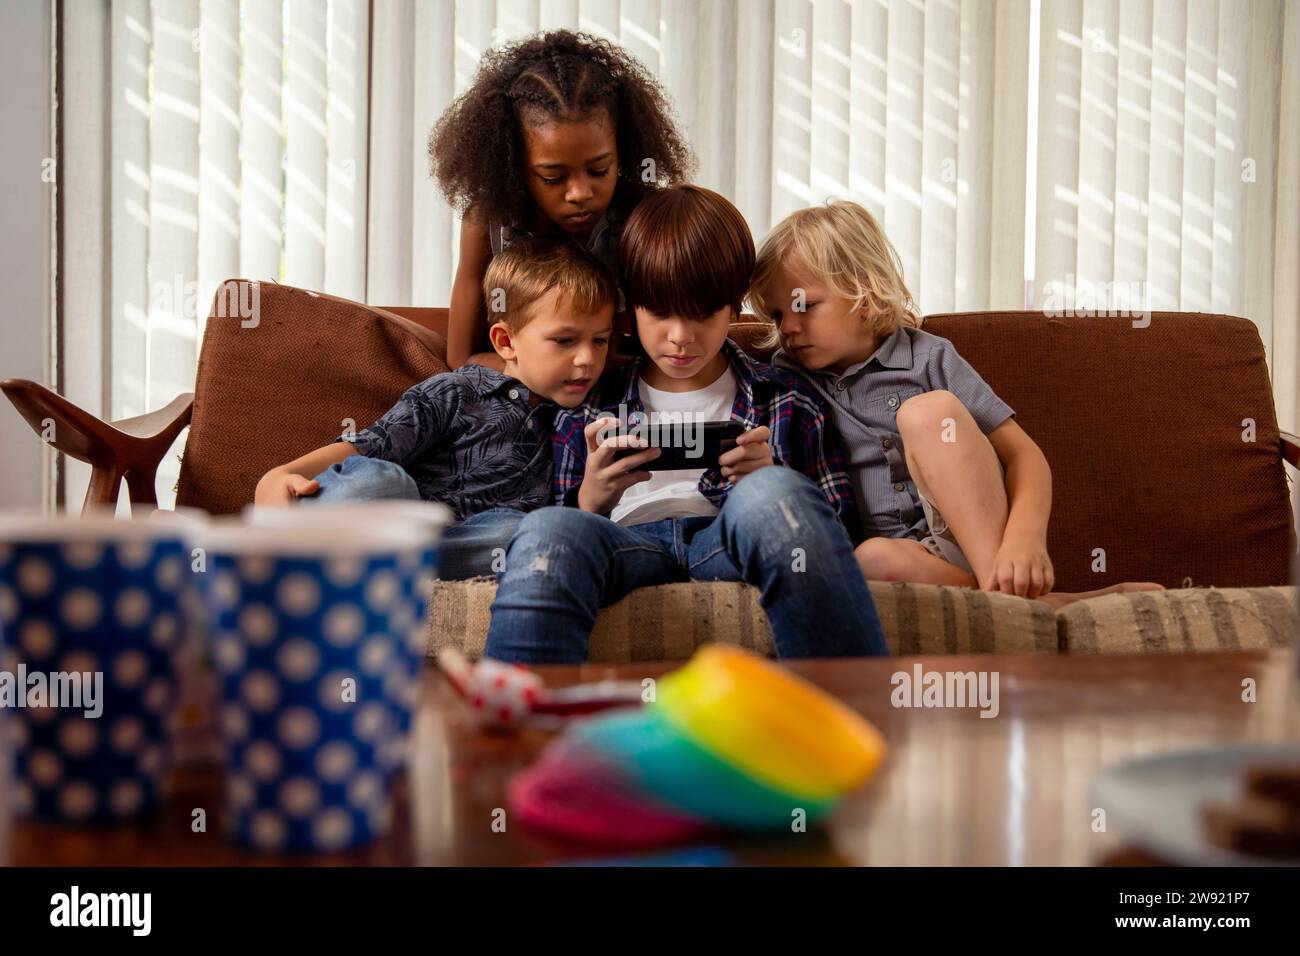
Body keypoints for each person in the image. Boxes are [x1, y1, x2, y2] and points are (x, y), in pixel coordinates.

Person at [482, 185, 888, 663]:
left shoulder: (788, 397)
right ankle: (518, 731)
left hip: (727, 539)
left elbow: (838, 534)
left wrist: (770, 477)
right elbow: (558, 527)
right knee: (550, 527)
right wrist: (592, 498)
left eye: (702, 315)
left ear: (735, 308)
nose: (680, 338)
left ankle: (852, 723)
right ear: (630, 307)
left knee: (775, 492)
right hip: (626, 545)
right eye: (659, 313)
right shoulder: (589, 396)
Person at [252, 238, 617, 580]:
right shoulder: (457, 390)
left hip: (471, 545)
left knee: (523, 531)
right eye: (565, 340)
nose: (587, 358)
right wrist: (279, 474)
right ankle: (309, 553)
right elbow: (369, 444)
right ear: (506, 341)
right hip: (399, 518)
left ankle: (383, 569)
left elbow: (570, 528)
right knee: (378, 480)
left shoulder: (582, 423)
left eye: (600, 340)